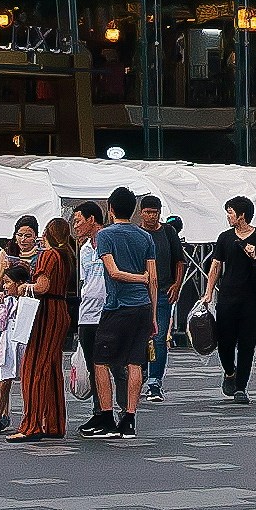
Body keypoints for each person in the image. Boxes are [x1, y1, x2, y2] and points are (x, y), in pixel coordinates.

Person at [86, 186, 159, 438]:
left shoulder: (106, 235)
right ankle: (129, 418)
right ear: (135, 210)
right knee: (135, 361)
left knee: (100, 361)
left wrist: (138, 278)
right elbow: (154, 279)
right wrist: (153, 315)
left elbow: (113, 272)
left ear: (111, 209)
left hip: (118, 307)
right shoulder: (145, 237)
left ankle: (106, 416)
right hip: (142, 307)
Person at [208, 196, 256, 405]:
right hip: (228, 296)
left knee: (247, 344)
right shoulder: (225, 238)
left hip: (252, 299)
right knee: (224, 342)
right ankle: (229, 372)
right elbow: (215, 266)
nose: (228, 217)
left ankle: (241, 387)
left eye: (231, 212)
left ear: (242, 215)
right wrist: (208, 291)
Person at [13, 214, 77, 441]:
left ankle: (30, 425)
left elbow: (42, 286)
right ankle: (54, 423)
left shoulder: (48, 256)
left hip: (46, 312)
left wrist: (22, 288)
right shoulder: (65, 255)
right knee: (51, 369)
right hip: (60, 310)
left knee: (33, 368)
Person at [140, 193, 186, 404]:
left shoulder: (168, 232)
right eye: (148, 212)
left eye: (155, 213)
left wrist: (177, 285)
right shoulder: (137, 233)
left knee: (159, 337)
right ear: (141, 213)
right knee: (139, 337)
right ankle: (138, 375)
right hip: (140, 291)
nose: (151, 217)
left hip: (164, 291)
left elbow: (179, 261)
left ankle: (154, 382)